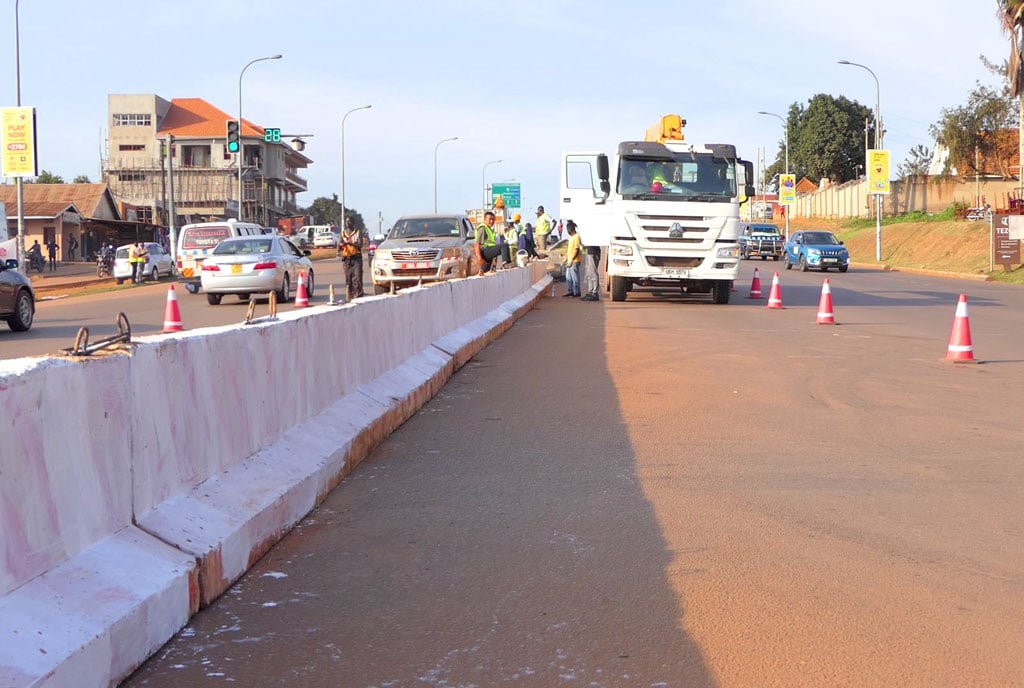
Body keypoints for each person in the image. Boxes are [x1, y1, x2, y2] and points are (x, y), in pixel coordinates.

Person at [339, 216, 365, 300]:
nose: (347, 223)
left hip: (356, 258)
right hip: (347, 259)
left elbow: (360, 245)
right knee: (348, 280)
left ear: (353, 223)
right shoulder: (343, 234)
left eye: (349, 222)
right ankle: (350, 297)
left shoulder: (358, 232)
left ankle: (358, 296)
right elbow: (339, 245)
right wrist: (340, 247)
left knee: (357, 278)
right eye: (346, 222)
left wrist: (351, 244)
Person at [563, 220, 582, 297]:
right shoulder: (571, 238)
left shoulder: (576, 237)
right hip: (570, 260)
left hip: (575, 260)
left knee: (575, 277)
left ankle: (577, 292)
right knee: (568, 277)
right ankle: (570, 291)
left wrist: (573, 259)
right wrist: (567, 258)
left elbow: (577, 249)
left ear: (570, 229)